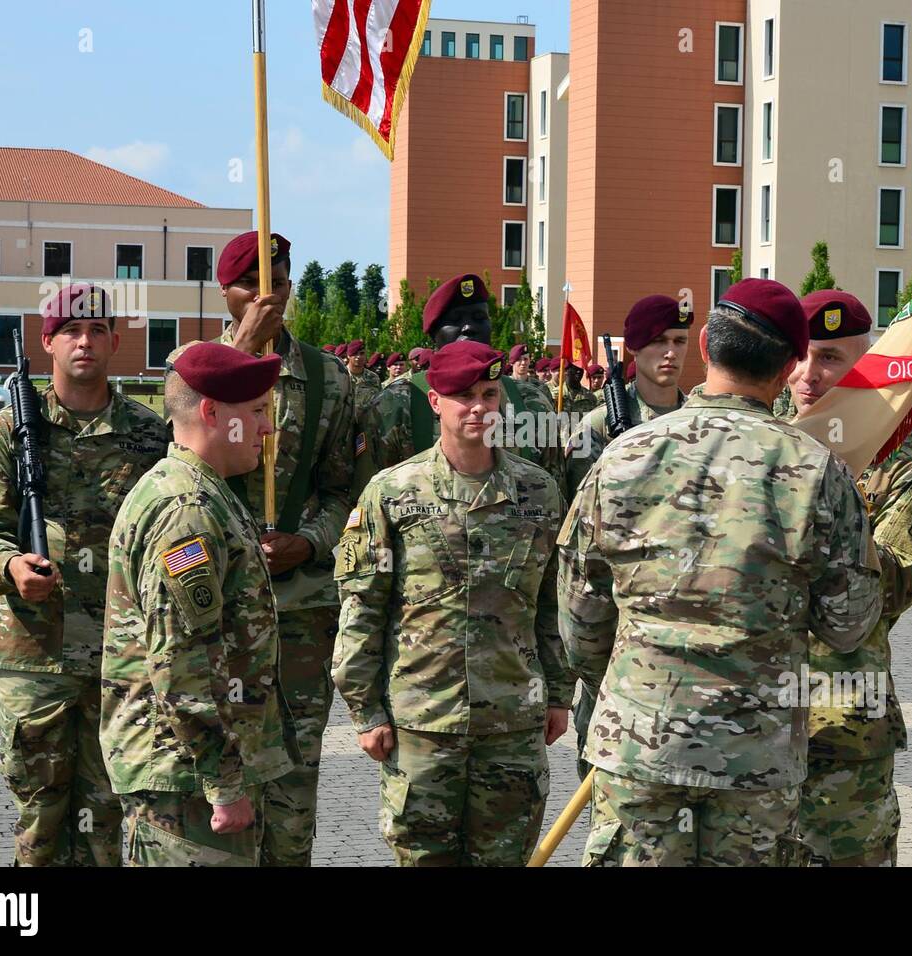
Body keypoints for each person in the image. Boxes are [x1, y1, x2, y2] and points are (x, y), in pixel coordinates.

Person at [559, 278, 882, 867]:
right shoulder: (818, 472)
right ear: (788, 368)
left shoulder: (623, 456)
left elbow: (581, 621)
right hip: (755, 756)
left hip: (640, 744)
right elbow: (848, 625)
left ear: (705, 345)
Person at [334, 341, 572, 865]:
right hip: (421, 721)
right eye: (462, 396)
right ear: (435, 401)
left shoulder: (539, 491)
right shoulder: (392, 492)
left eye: (489, 394)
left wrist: (559, 693)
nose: (478, 407)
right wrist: (365, 709)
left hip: (512, 720)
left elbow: (552, 603)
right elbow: (363, 607)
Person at [0, 283, 169, 867]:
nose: (85, 341)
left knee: (108, 808)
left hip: (121, 656)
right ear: (48, 341)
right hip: (35, 654)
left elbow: (178, 535)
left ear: (115, 343)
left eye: (97, 331)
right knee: (41, 815)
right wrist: (9, 566)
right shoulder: (9, 431)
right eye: (71, 331)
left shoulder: (152, 436)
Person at [169, 230, 355, 866]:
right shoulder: (190, 364)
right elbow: (176, 468)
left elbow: (340, 489)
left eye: (279, 279)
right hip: (215, 612)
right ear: (226, 293)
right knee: (215, 792)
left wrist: (310, 542)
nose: (267, 295)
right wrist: (241, 353)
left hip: (299, 613)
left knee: (293, 791)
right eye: (252, 283)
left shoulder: (328, 377)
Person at [103, 343, 294, 866]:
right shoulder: (188, 510)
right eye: (256, 412)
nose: (267, 428)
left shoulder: (197, 491)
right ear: (212, 412)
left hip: (187, 769)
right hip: (185, 779)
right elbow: (182, 663)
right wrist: (223, 784)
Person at [789, 290, 912, 866]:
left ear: (864, 366)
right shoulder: (761, 455)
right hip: (749, 724)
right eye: (800, 355)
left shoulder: (897, 473)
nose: (810, 374)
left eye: (830, 357)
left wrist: (839, 510)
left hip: (843, 728)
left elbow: (892, 588)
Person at [562, 294, 691, 777]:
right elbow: (573, 528)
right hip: (613, 611)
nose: (671, 353)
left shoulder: (696, 419)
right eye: (658, 342)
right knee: (602, 754)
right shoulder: (597, 427)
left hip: (680, 610)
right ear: (634, 350)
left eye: (679, 341)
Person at [354, 274, 563, 494]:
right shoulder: (396, 404)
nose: (468, 328)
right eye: (455, 320)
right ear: (434, 334)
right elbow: (368, 494)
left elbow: (555, 492)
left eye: (479, 317)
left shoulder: (531, 402)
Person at [346, 339, 383, 409]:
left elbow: (379, 402)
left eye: (362, 353)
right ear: (348, 356)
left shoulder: (373, 378)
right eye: (355, 354)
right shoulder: (342, 375)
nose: (358, 357)